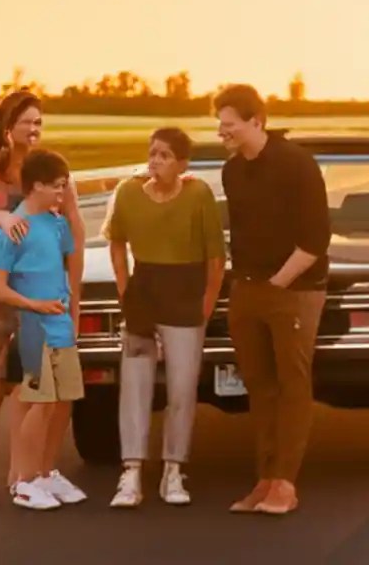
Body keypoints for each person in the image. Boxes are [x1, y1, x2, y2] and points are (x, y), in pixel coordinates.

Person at [0, 88, 85, 502]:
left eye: (39, 123)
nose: (34, 130)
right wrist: (0, 217)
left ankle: (35, 473)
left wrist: (73, 302)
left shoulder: (49, 172)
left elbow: (74, 238)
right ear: (6, 127)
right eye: (27, 122)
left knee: (49, 386)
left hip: (41, 295)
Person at [213, 84, 330, 516]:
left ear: (255, 122)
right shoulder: (231, 171)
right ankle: (264, 479)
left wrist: (278, 283)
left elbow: (317, 237)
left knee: (293, 385)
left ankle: (285, 484)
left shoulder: (297, 164)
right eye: (219, 125)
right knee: (259, 387)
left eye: (229, 125)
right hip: (246, 290)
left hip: (293, 289)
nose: (221, 132)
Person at [102, 127, 225, 508]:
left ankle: (174, 470)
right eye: (153, 153)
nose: (155, 160)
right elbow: (117, 243)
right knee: (135, 385)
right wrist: (125, 290)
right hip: (144, 294)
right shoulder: (127, 192)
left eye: (165, 155)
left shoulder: (198, 195)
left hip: (185, 298)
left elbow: (215, 259)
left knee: (182, 388)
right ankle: (132, 472)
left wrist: (204, 307)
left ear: (182, 164)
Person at [0, 148, 86, 510]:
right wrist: (34, 306)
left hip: (60, 326)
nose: (63, 193)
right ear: (37, 185)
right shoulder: (12, 230)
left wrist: (70, 311)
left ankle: (45, 474)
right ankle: (24, 483)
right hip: (34, 329)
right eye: (58, 186)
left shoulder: (55, 223)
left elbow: (72, 256)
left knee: (62, 403)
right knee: (38, 405)